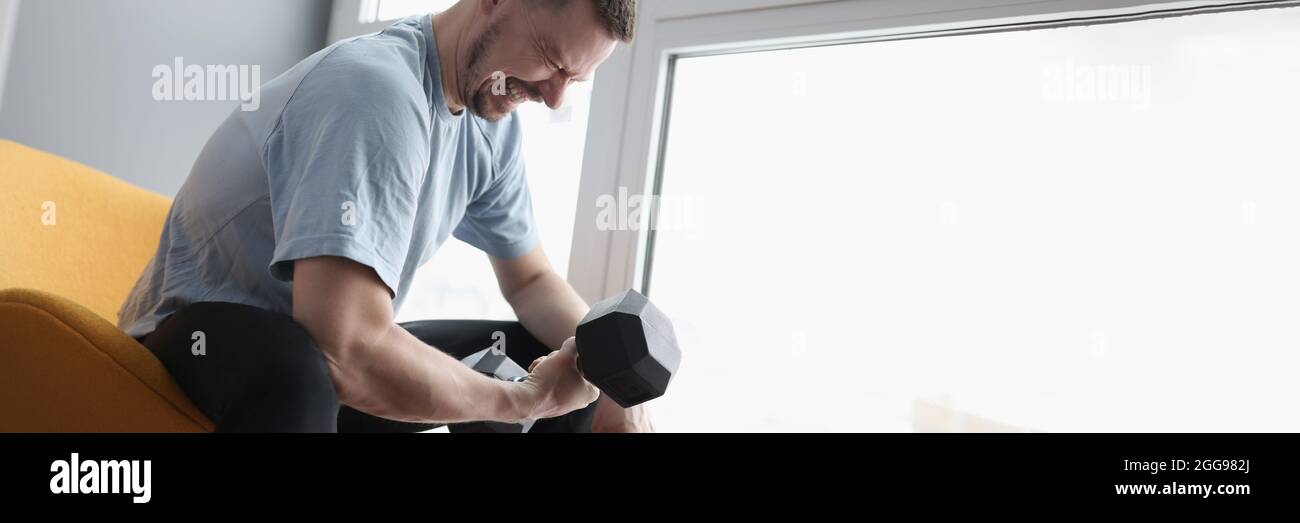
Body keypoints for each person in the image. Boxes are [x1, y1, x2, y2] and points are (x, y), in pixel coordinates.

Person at [117, 0, 649, 432]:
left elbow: (531, 281)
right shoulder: (375, 94)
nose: (555, 99)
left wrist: (610, 378)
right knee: (301, 370)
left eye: (573, 80)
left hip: (320, 352)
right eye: (552, 60)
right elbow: (345, 348)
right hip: (197, 341)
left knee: (545, 357)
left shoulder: (490, 128)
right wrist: (524, 401)